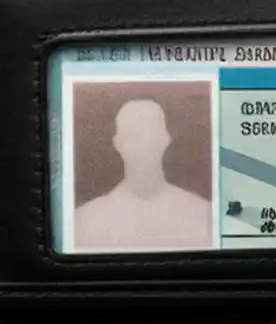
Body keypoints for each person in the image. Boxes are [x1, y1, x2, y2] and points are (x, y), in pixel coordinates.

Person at [75, 98, 213, 251]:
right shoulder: (86, 221)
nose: (143, 145)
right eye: (133, 136)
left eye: (150, 134)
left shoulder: (203, 215)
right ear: (118, 143)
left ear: (165, 139)